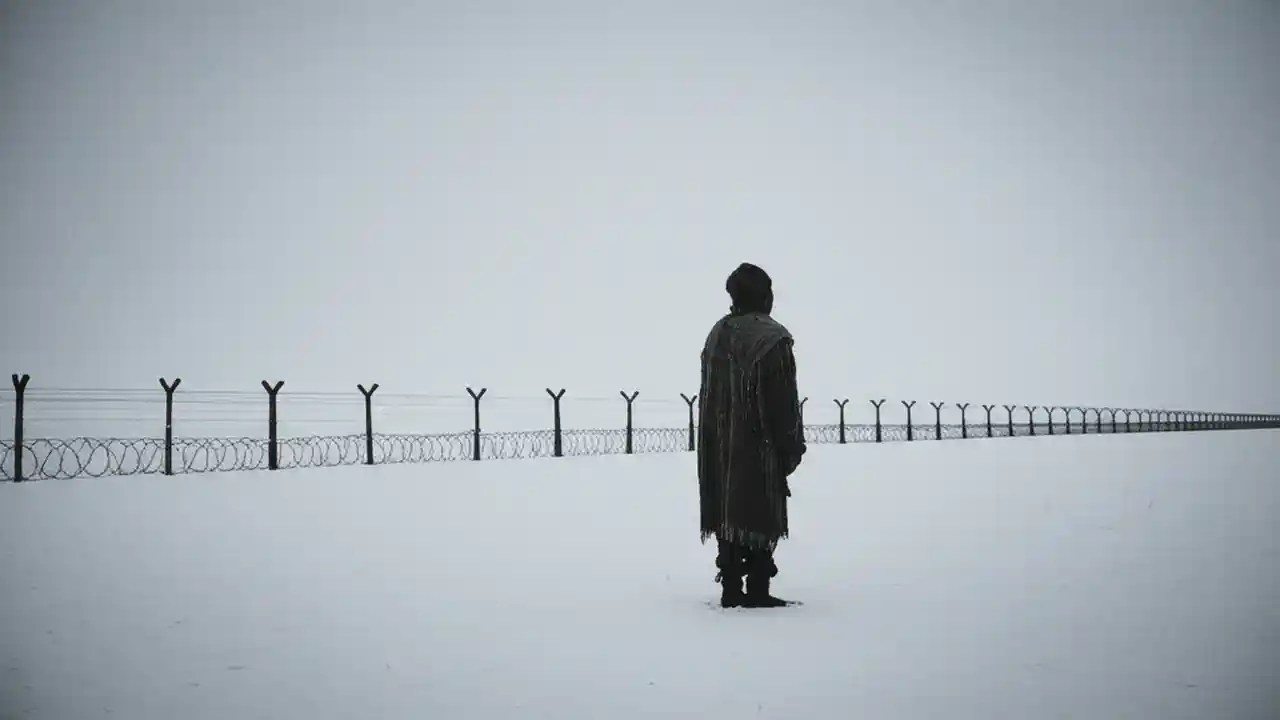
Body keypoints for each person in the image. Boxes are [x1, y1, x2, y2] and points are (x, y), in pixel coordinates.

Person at [697, 263, 806, 608]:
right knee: (760, 510)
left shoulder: (717, 333)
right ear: (764, 295)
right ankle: (758, 586)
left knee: (728, 509)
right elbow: (783, 402)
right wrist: (790, 446)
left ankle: (730, 586)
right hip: (759, 446)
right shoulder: (772, 338)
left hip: (719, 446)